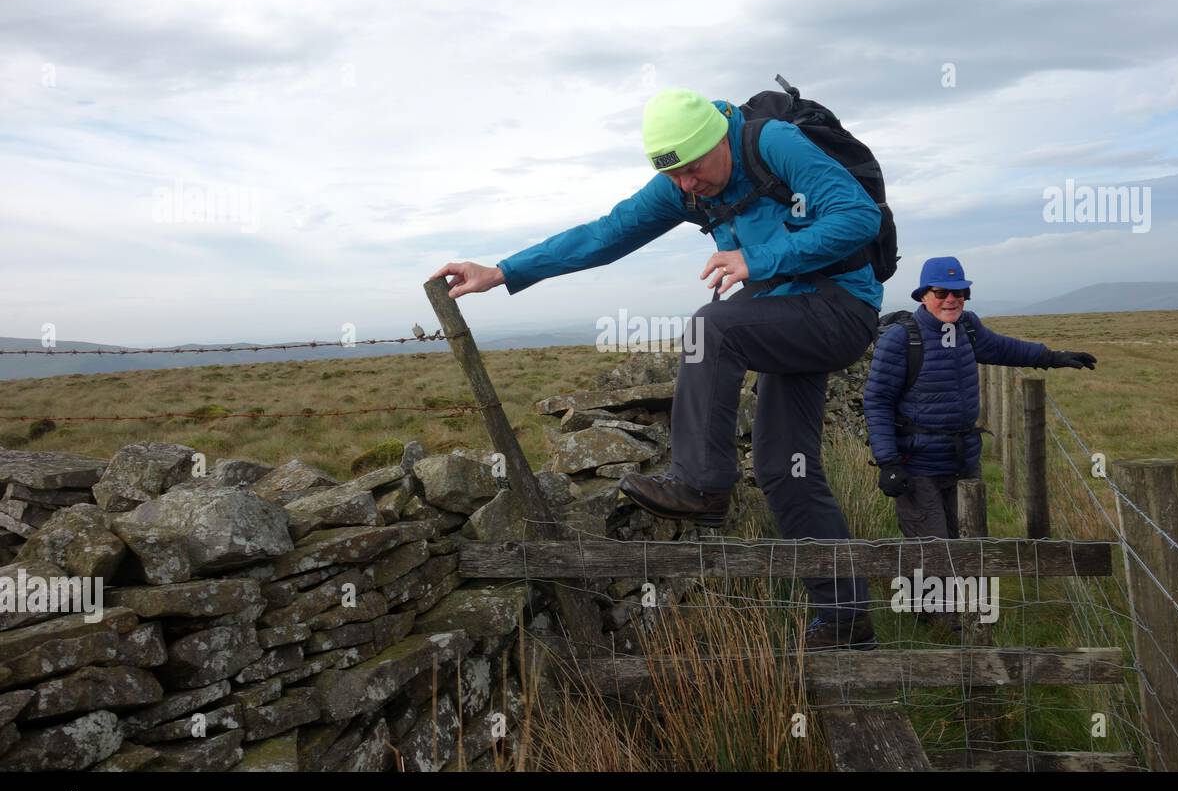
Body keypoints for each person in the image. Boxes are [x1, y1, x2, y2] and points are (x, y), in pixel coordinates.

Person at [434, 87, 883, 650]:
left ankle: (700, 485)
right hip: (781, 318)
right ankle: (845, 617)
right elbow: (606, 235)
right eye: (676, 179)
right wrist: (503, 270)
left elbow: (858, 218)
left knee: (711, 327)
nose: (688, 187)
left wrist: (758, 259)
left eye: (694, 170)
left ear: (719, 139)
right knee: (781, 467)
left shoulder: (774, 144)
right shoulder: (683, 184)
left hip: (840, 307)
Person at [862, 256, 1097, 627]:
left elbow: (1005, 349)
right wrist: (888, 462)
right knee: (932, 542)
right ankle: (950, 627)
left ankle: (938, 612)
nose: (951, 300)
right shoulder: (900, 340)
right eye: (941, 292)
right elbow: (876, 401)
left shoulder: (968, 329)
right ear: (924, 295)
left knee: (964, 539)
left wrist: (1052, 358)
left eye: (959, 292)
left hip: (962, 459)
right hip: (916, 462)